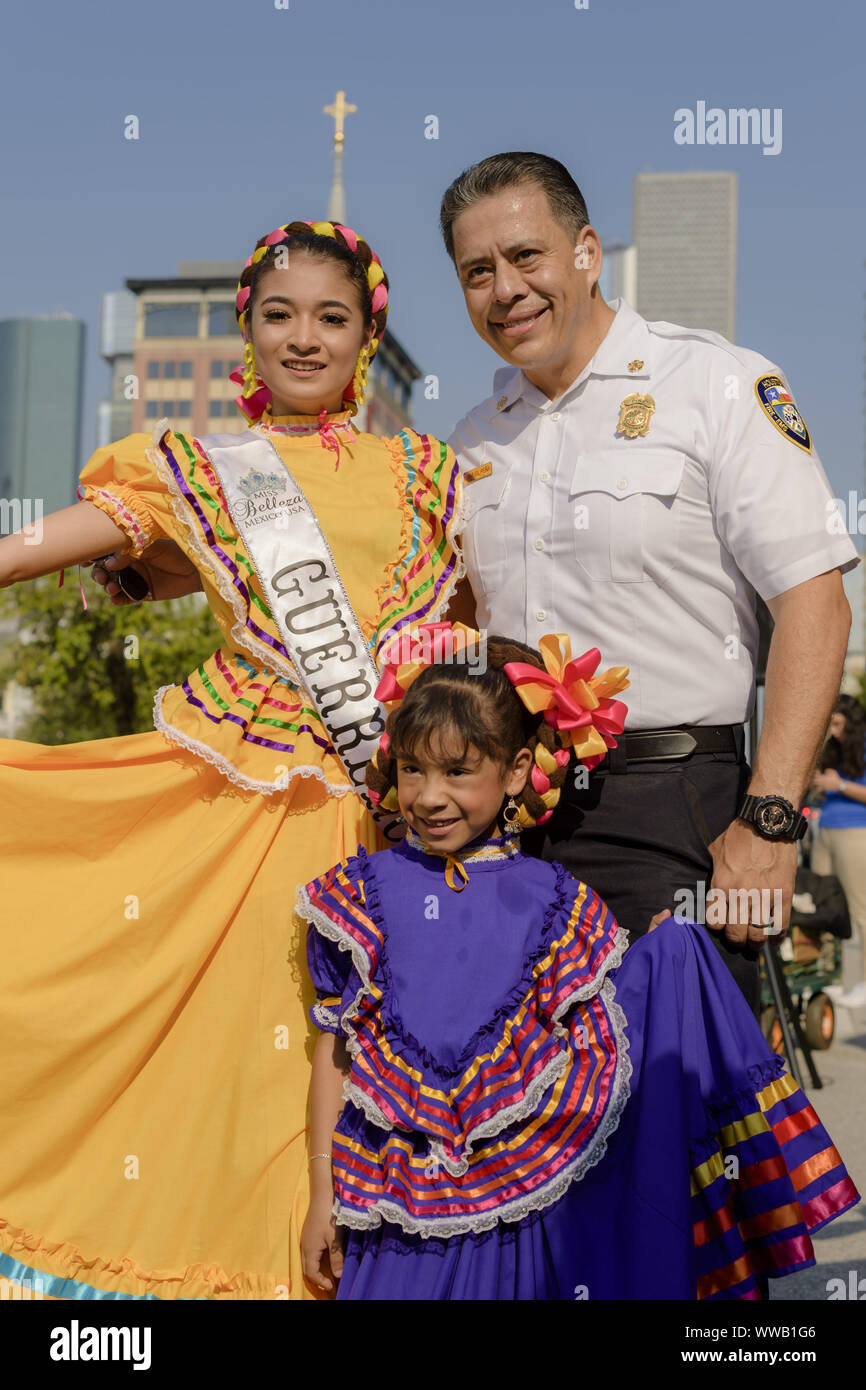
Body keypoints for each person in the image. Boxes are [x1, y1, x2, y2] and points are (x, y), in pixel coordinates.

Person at [0, 220, 464, 1300]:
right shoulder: (199, 468)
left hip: (382, 822)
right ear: (245, 332)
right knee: (211, 1073)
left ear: (368, 336)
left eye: (332, 318)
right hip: (230, 813)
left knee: (347, 1076)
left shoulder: (434, 474)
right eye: (278, 315)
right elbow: (29, 549)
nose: (304, 338)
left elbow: (475, 635)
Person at [296, 623, 859, 1300]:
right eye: (412, 768)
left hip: (522, 1228)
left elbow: (607, 1047)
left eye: (457, 770)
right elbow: (339, 1054)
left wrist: (666, 959)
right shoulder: (360, 897)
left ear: (512, 772)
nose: (428, 794)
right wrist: (322, 1192)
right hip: (394, 1226)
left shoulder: (558, 904)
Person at [440, 152, 859, 1017]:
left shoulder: (714, 383)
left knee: (682, 1111)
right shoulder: (473, 440)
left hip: (680, 814)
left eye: (527, 257)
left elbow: (815, 601)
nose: (505, 289)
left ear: (587, 251)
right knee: (527, 1121)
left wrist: (771, 823)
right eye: (477, 272)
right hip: (512, 819)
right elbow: (459, 630)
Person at [811, 694, 866, 1010]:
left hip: (856, 832)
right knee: (821, 905)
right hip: (826, 829)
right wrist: (821, 785)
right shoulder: (833, 749)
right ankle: (826, 975)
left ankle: (863, 982)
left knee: (860, 910)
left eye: (837, 723)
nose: (832, 731)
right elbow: (826, 787)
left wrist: (840, 785)